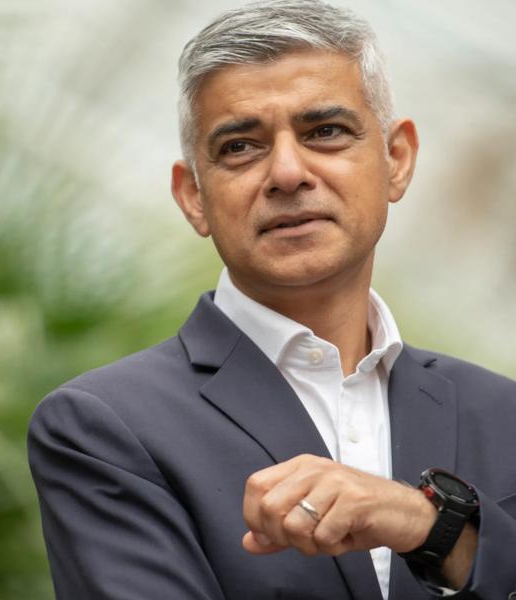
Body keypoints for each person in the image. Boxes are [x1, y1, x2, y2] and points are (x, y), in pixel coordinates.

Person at [27, 1, 516, 599]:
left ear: (397, 160)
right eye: (240, 146)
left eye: (325, 132)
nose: (287, 172)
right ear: (193, 198)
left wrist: (430, 527)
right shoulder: (106, 427)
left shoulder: (504, 416)